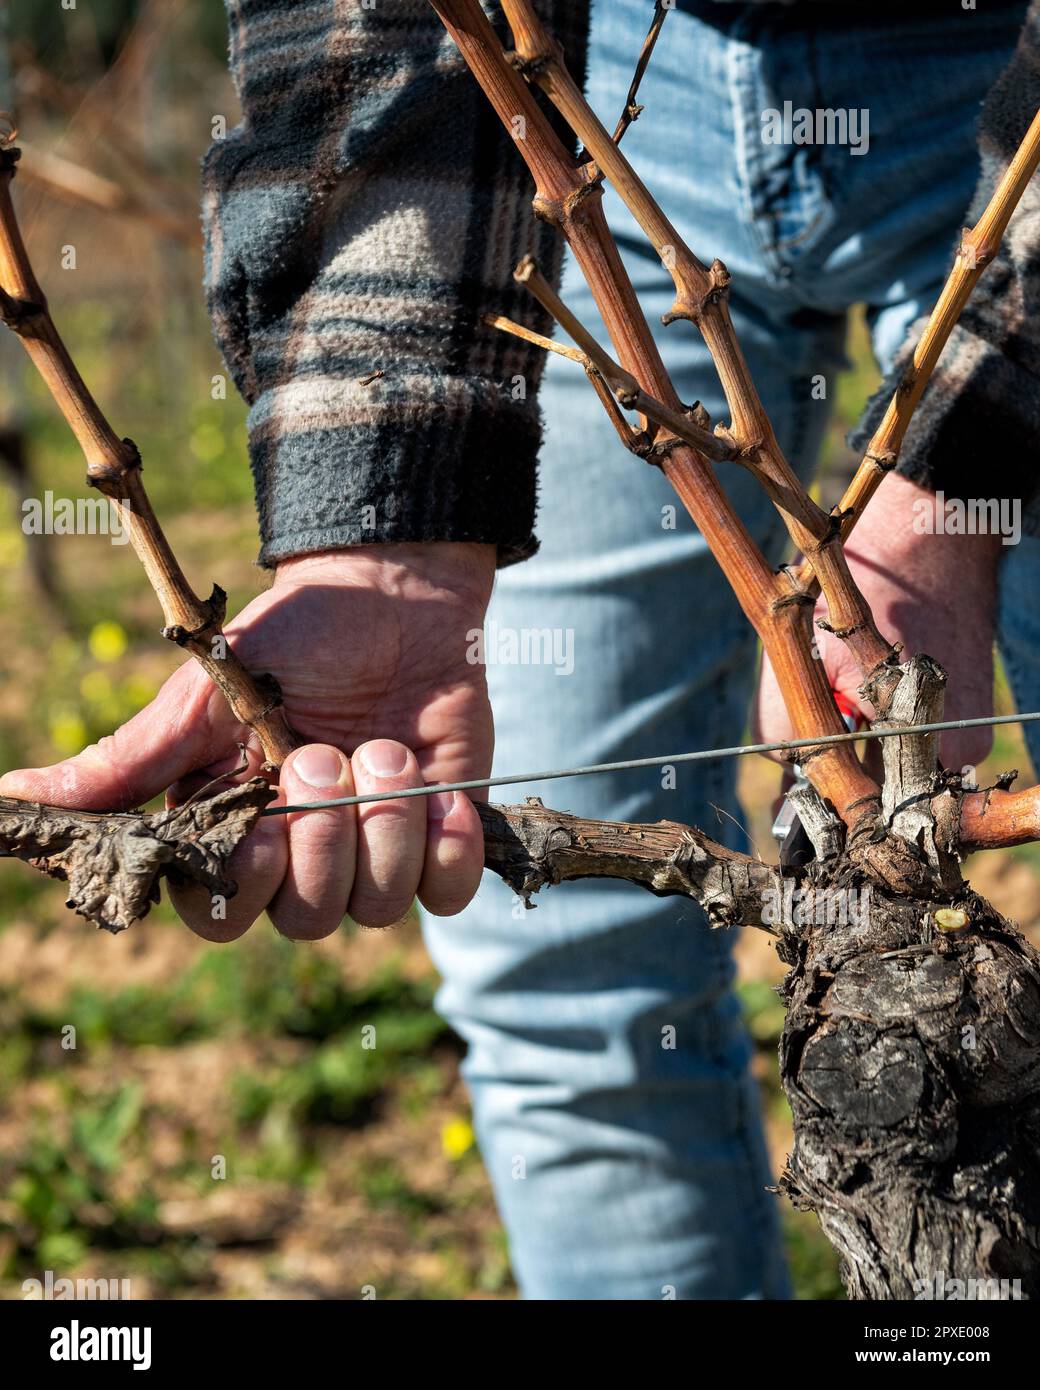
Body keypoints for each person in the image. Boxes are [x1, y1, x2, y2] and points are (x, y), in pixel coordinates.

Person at [3, 0, 1039, 1298]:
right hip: (594, 113)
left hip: (1011, 97)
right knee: (567, 972)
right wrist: (383, 520)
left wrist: (969, 467)